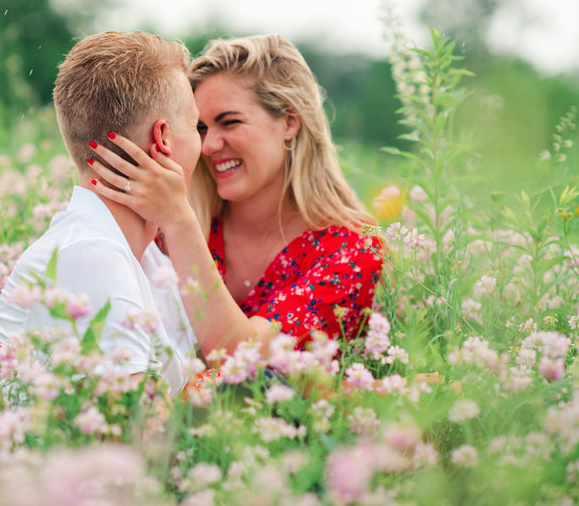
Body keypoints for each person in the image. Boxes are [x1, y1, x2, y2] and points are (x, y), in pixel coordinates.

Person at [87, 34, 382, 355]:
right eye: (200, 128)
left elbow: (242, 359)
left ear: (289, 122)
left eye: (230, 122)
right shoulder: (171, 229)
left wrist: (177, 219)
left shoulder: (351, 250)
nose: (209, 145)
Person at [0, 31, 201, 397]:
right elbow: (137, 431)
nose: (205, 142)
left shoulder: (143, 255)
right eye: (196, 125)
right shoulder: (91, 256)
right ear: (163, 138)